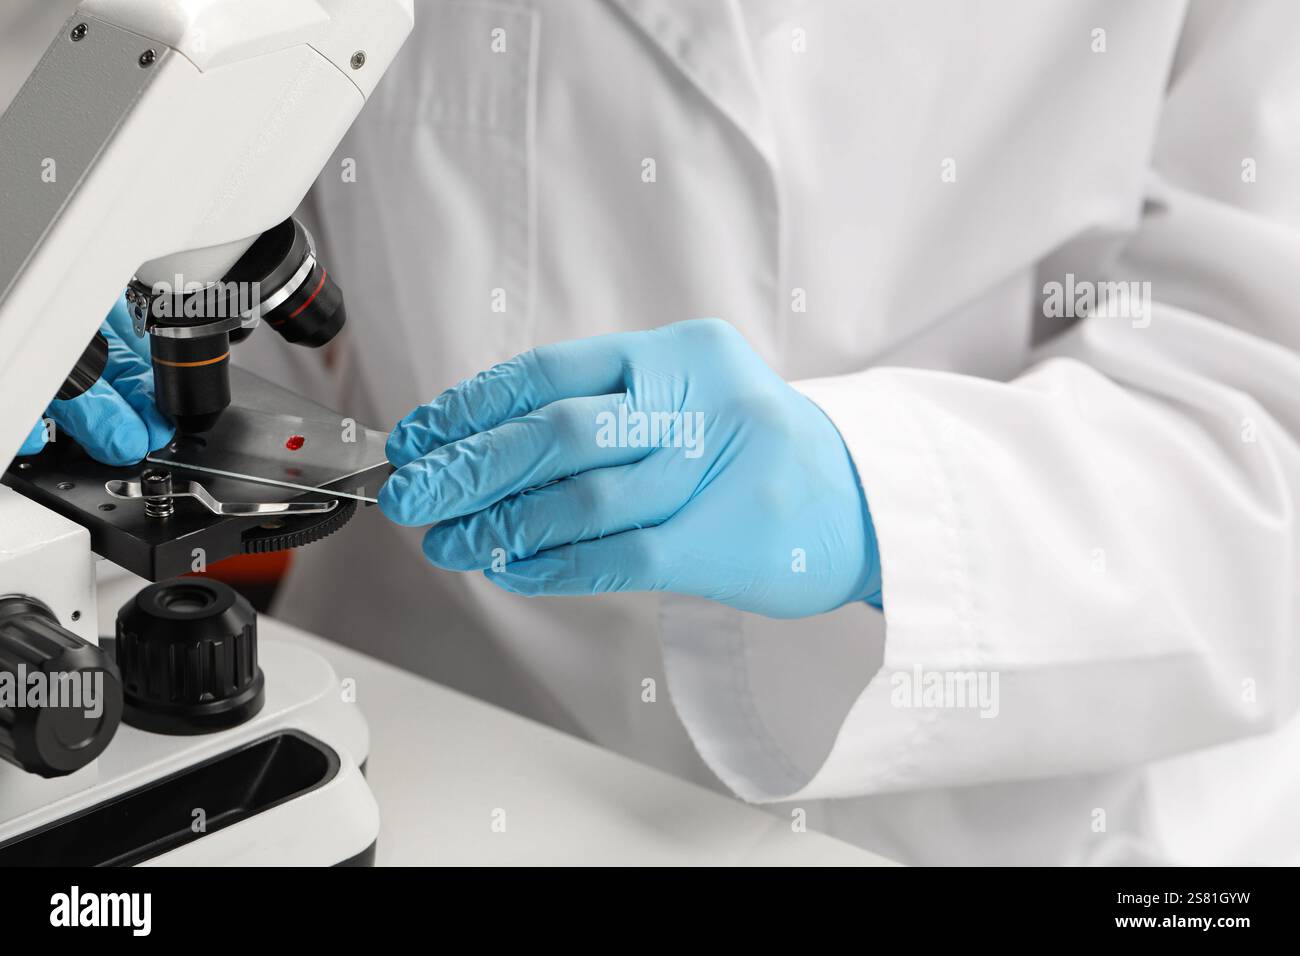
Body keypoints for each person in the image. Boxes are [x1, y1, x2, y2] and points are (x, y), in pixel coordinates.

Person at [13, 0, 1300, 865]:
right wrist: (107, 263)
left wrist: (862, 504)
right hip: (432, 715)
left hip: (992, 803)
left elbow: (1264, 414)